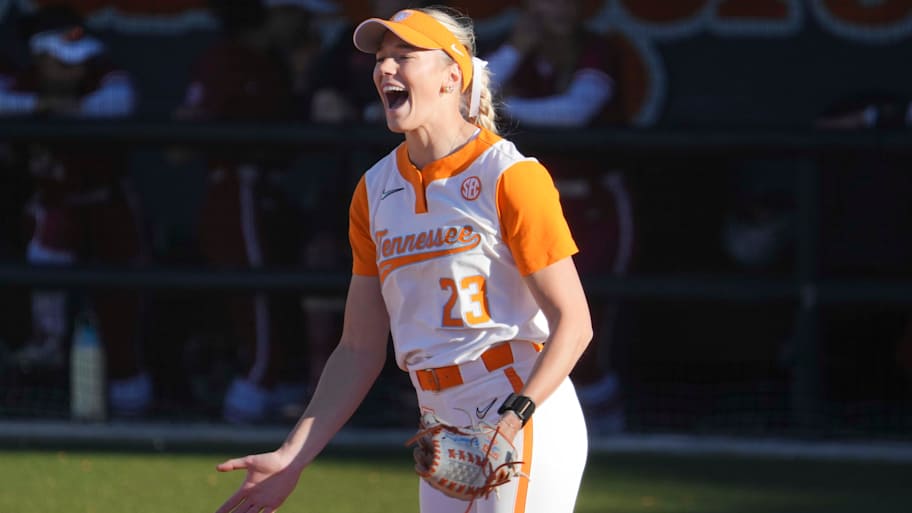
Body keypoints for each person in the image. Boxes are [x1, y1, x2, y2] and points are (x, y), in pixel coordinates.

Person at [213, 7, 591, 513]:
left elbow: (574, 323)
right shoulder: (374, 189)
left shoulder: (509, 175)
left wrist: (514, 416)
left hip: (519, 403)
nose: (385, 68)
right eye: (381, 58)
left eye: (405, 55)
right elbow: (357, 349)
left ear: (452, 76)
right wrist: (291, 456)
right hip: (439, 422)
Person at [484, 0, 635, 433]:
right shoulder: (513, 51)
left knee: (589, 323)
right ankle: (545, 427)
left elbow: (575, 112)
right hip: (527, 208)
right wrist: (515, 50)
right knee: (530, 319)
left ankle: (609, 434)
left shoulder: (598, 49)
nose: (558, 8)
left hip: (592, 204)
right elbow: (467, 96)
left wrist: (505, 109)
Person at [0, 5, 152, 417]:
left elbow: (120, 100)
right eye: (62, 62)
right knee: (48, 240)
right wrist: (41, 104)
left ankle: (131, 402)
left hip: (107, 206)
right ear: (40, 56)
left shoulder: (104, 77)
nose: (74, 71)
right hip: (52, 210)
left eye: (79, 62)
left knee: (120, 310)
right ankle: (45, 355)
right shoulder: (23, 81)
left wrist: (64, 109)